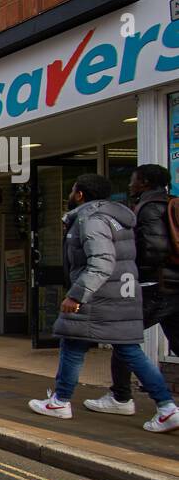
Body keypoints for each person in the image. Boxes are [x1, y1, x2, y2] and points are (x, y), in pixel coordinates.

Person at [28, 172, 177, 431]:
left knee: (73, 345)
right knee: (126, 349)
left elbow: (101, 262)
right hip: (121, 294)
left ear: (81, 194)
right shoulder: (118, 218)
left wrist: (76, 294)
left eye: (72, 190)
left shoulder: (91, 220)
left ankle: (61, 401)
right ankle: (163, 407)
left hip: (98, 296)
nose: (70, 195)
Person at [85, 164, 179, 418]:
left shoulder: (149, 208)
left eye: (133, 180)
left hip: (156, 287)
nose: (129, 185)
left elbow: (153, 250)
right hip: (173, 286)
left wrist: (128, 265)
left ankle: (121, 397)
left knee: (121, 337)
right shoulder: (172, 202)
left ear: (145, 182)